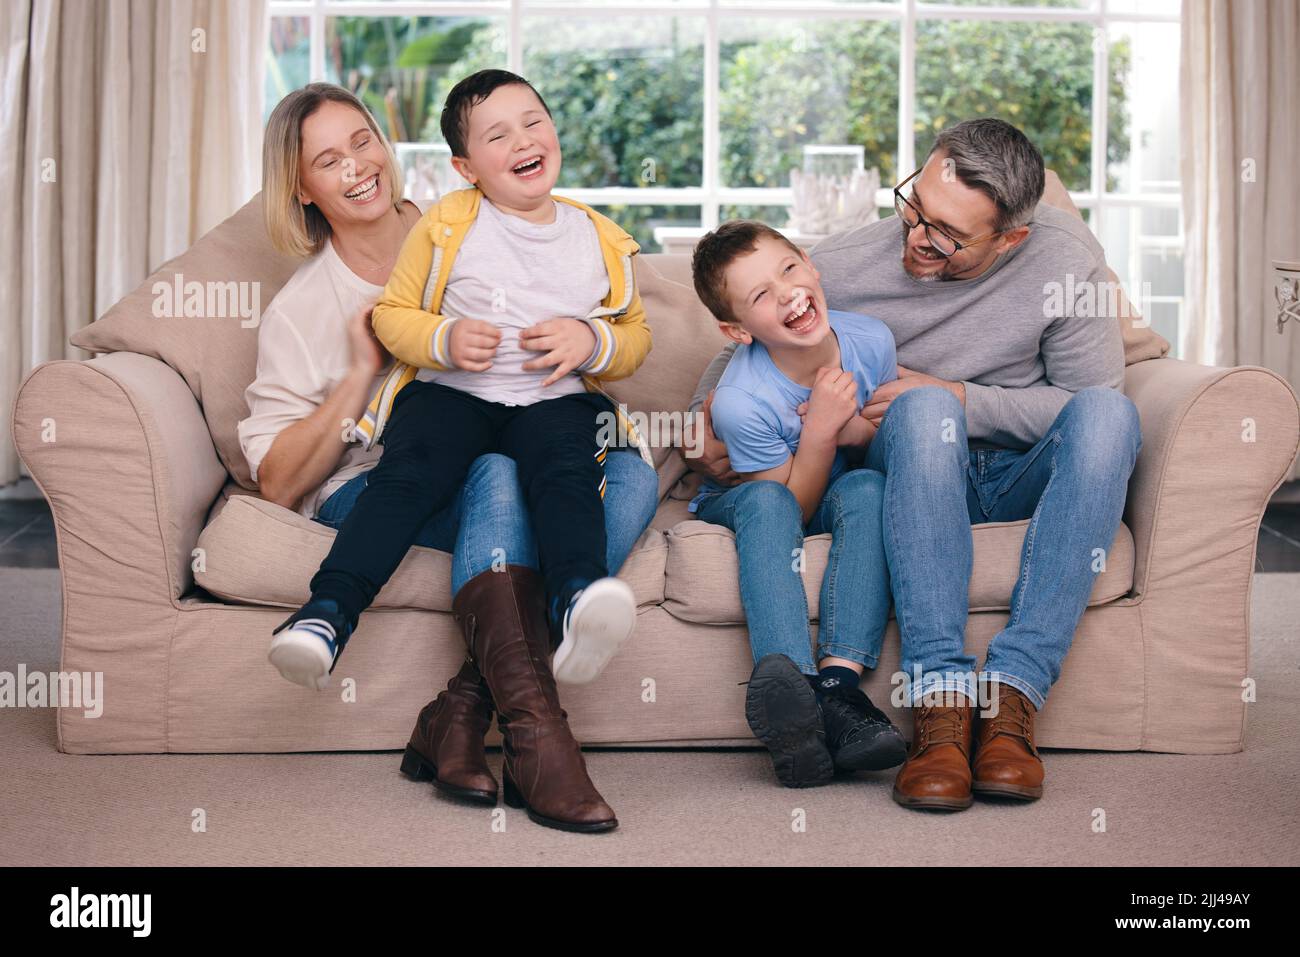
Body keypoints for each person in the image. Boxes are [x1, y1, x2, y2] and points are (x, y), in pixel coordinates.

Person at [240, 79, 658, 834]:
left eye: (362, 140)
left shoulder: (459, 221)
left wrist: (591, 340)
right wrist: (372, 366)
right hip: (385, 469)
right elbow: (274, 478)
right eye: (328, 160)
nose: (357, 165)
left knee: (624, 468)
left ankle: (466, 702)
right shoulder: (309, 303)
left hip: (537, 419)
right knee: (497, 470)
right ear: (300, 187)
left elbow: (627, 330)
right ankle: (537, 735)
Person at [685, 119, 1141, 810]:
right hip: (918, 468)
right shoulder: (846, 262)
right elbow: (751, 339)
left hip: (1018, 474)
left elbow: (1085, 402)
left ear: (1010, 238)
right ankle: (939, 701)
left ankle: (1015, 695)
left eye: (947, 235)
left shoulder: (1066, 261)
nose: (915, 237)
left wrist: (961, 396)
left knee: (1112, 415)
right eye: (913, 206)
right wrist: (702, 419)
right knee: (926, 416)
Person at [688, 221, 907, 788]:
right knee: (764, 500)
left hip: (834, 484)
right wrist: (822, 433)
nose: (786, 292)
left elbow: (880, 456)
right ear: (736, 330)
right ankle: (792, 684)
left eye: (788, 270)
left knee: (869, 490)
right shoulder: (741, 400)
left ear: (810, 264)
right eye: (761, 295)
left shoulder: (873, 341)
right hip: (749, 499)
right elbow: (793, 507)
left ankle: (836, 688)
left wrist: (855, 432)